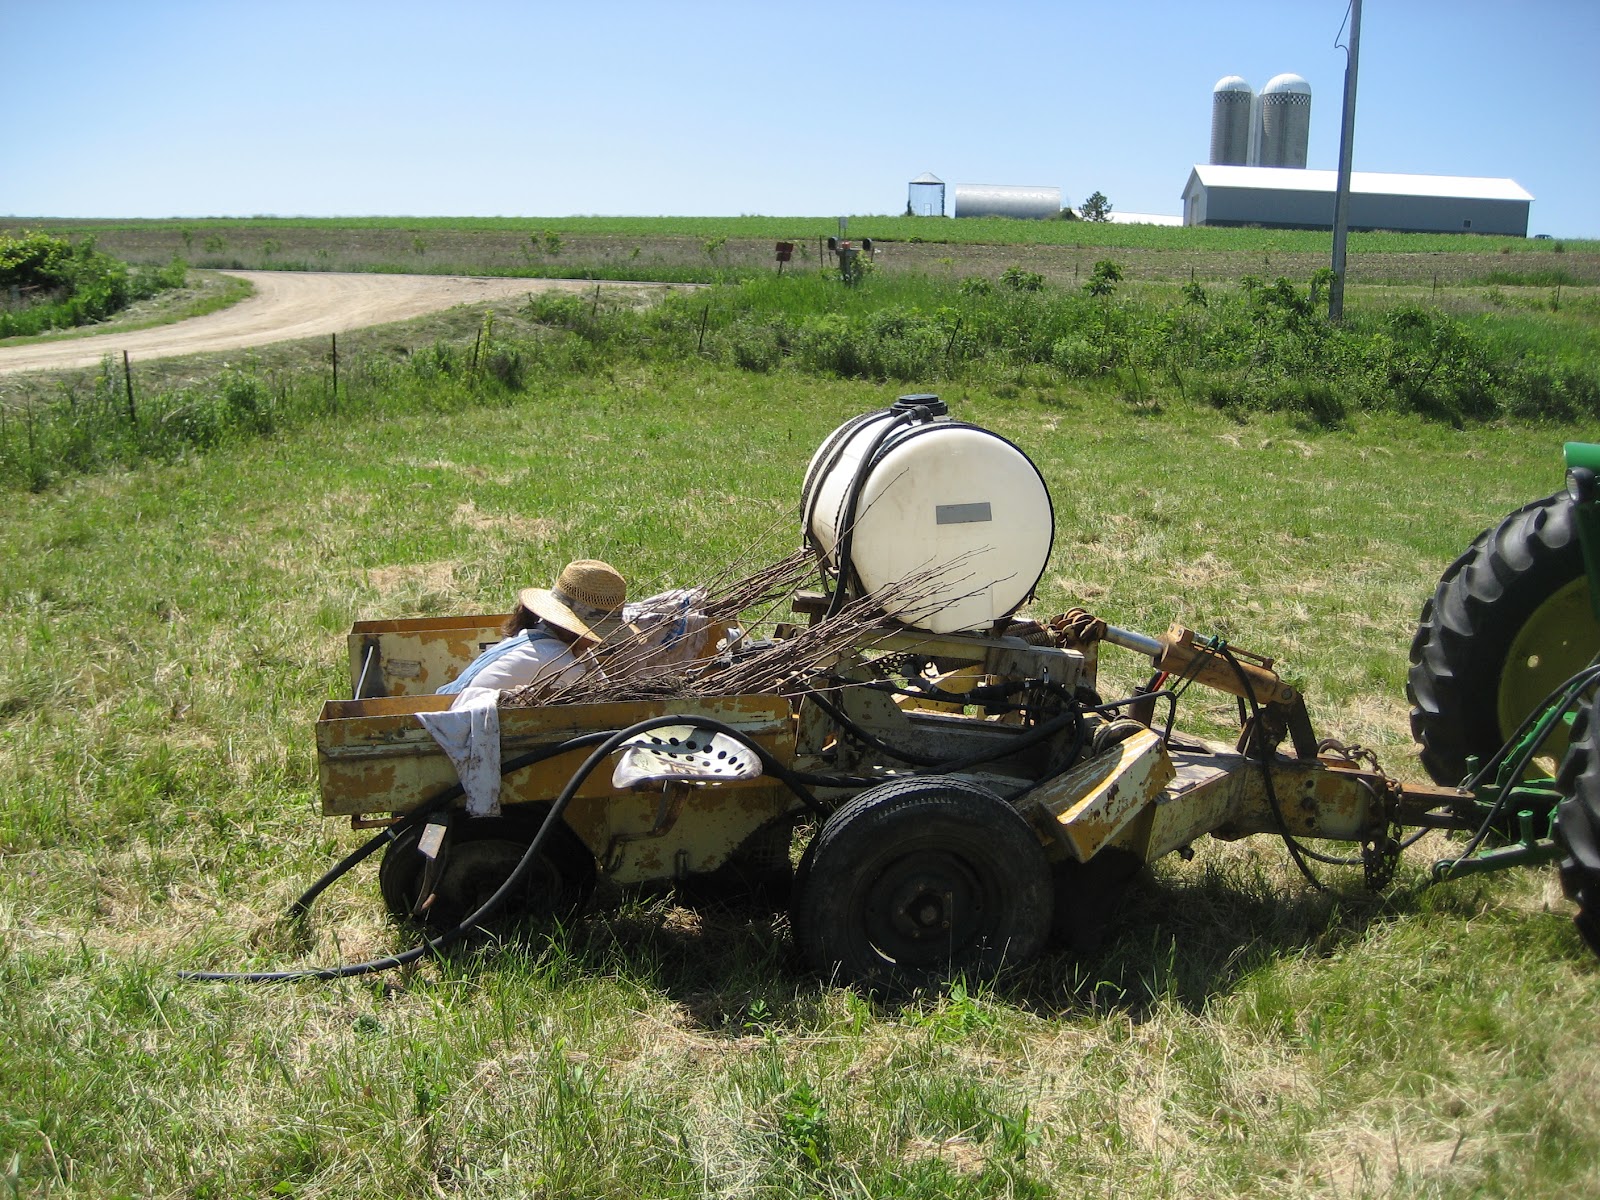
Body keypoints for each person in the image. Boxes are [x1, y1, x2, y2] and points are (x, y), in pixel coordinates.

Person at [438, 559, 629, 696]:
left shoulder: (530, 634)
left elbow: (600, 682)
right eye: (598, 634)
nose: (599, 641)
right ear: (578, 630)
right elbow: (601, 701)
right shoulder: (558, 662)